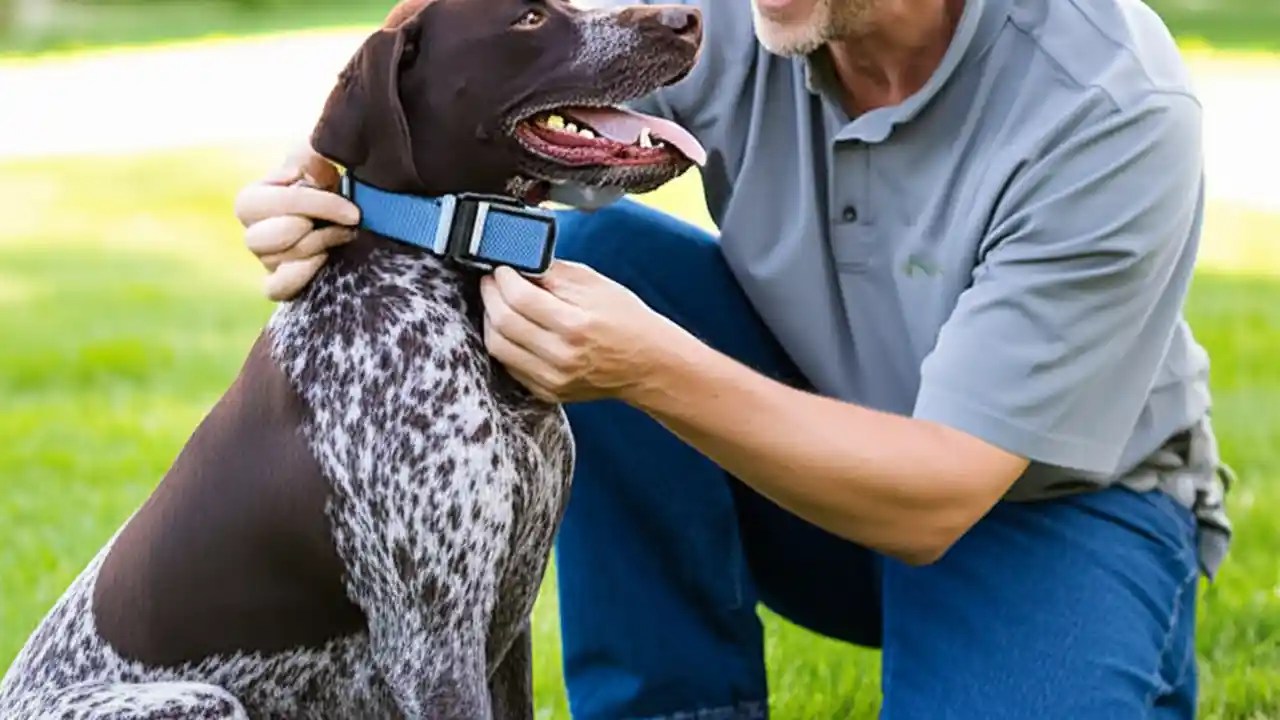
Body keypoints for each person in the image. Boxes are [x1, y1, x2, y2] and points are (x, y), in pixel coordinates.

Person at [233, 0, 1235, 717]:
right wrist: (322, 167)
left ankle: (1110, 643)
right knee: (595, 257)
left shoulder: (1106, 105)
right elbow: (464, 34)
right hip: (801, 486)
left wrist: (649, 369)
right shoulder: (764, 13)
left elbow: (940, 492)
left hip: (1035, 507)